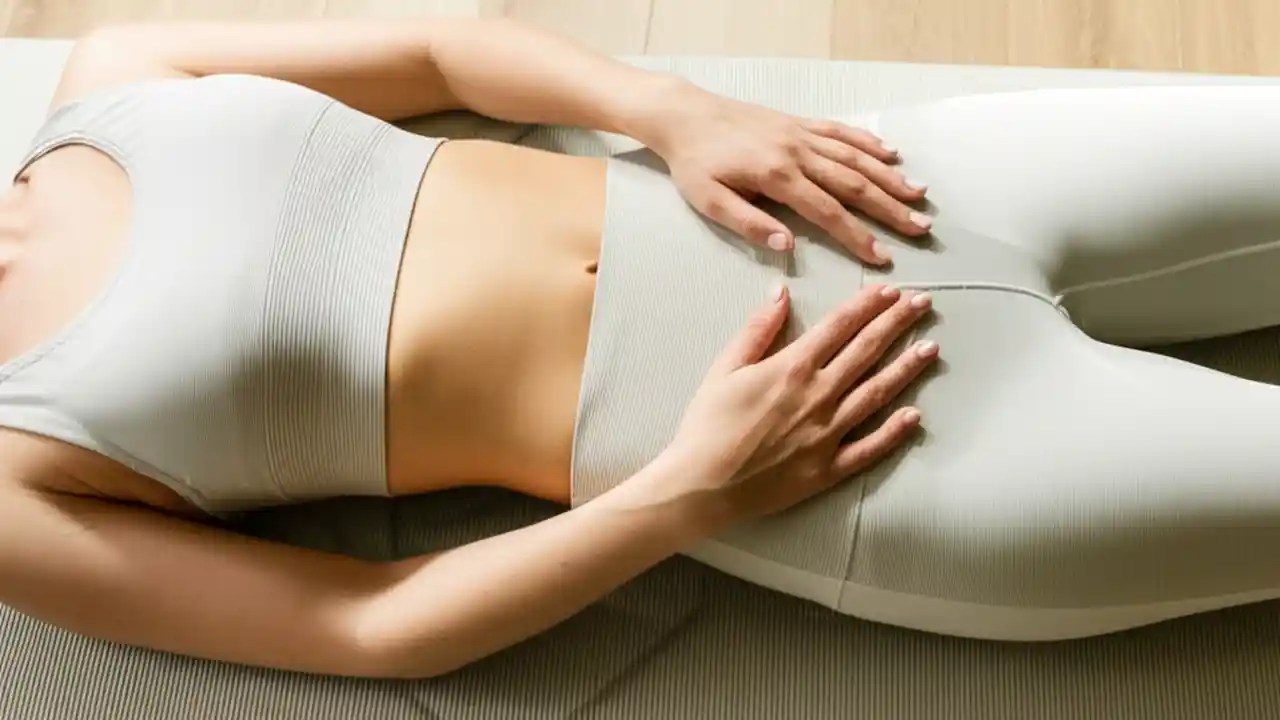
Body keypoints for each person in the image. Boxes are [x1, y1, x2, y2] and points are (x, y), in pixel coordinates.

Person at [1, 17, 1277, 680]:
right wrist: (688, 493)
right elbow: (367, 629)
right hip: (873, 465)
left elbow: (440, 52)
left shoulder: (119, 69)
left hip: (897, 185)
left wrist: (670, 111)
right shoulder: (15, 488)